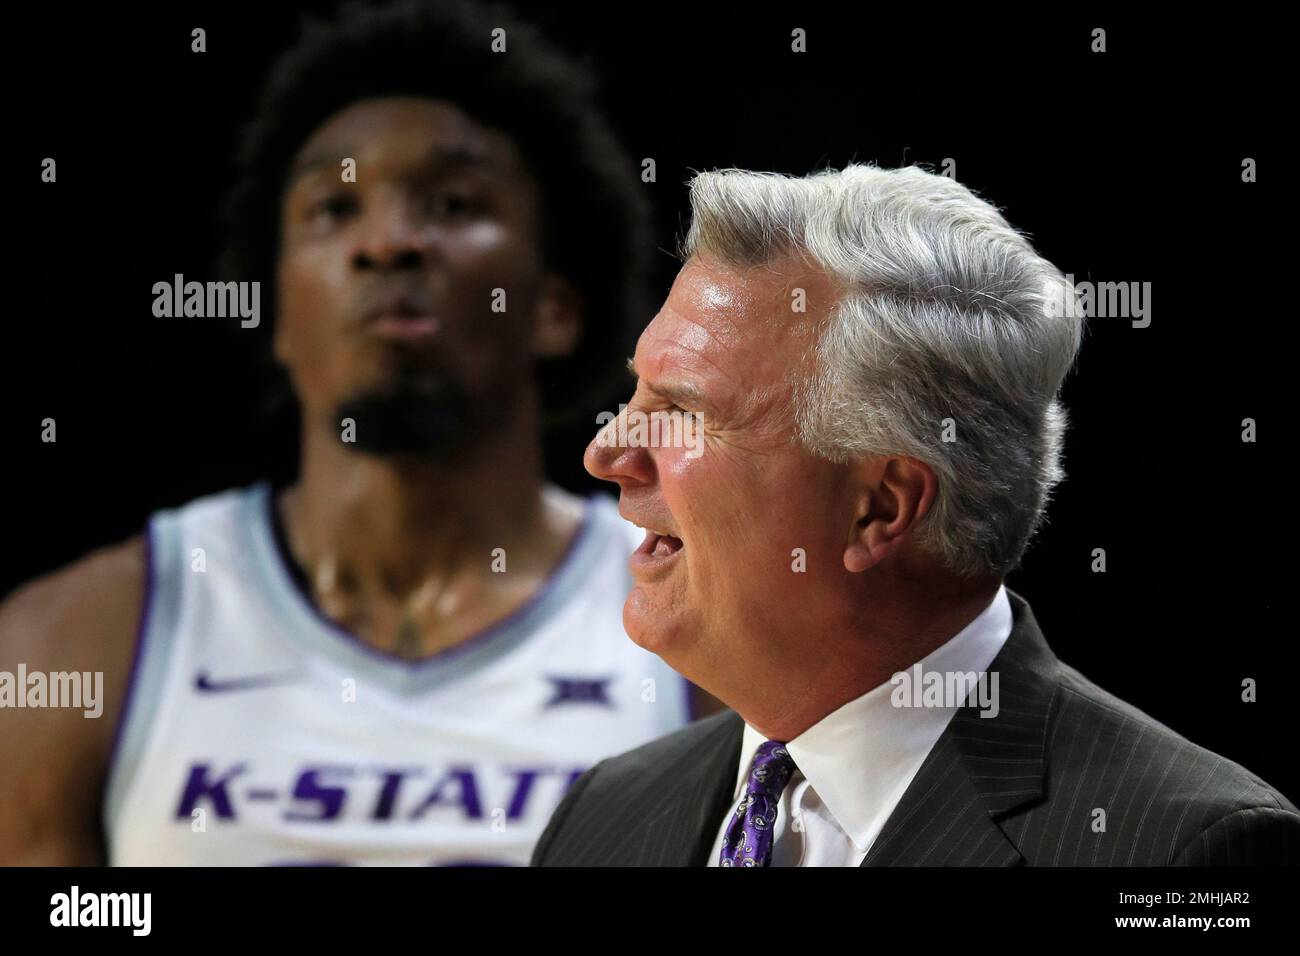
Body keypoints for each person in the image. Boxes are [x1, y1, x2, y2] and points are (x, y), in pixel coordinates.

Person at [0, 0, 719, 867]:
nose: (388, 243)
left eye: (453, 202)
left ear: (555, 307)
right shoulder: (79, 639)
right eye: (334, 208)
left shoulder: (700, 624)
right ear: (279, 312)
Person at [532, 163, 1300, 866]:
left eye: (682, 412)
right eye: (636, 393)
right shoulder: (602, 818)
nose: (607, 453)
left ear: (881, 508)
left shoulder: (1187, 852)